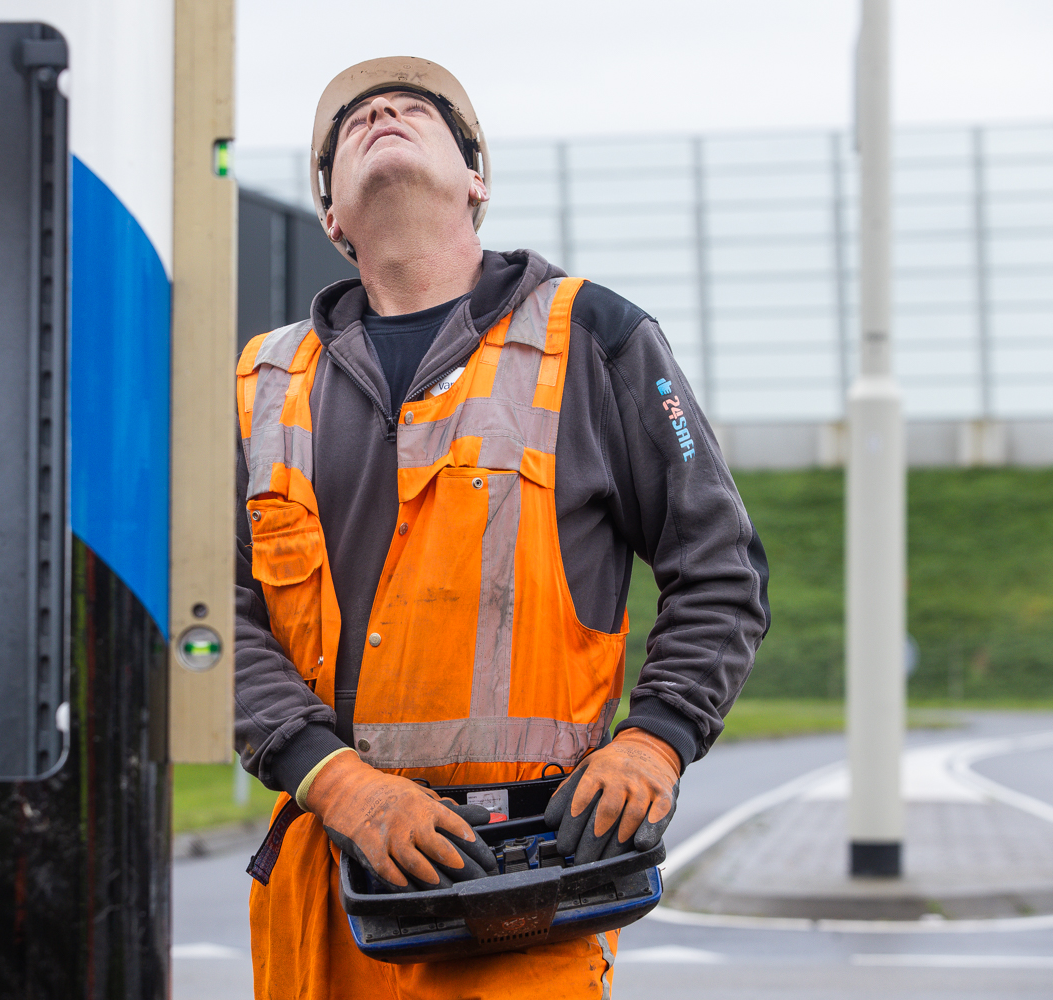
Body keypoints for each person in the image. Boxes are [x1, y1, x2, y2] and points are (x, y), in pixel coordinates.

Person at [234, 57, 770, 1000]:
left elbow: (718, 566)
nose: (384, 113)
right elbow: (211, 619)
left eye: (418, 110)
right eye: (353, 120)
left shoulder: (596, 338)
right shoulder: (262, 383)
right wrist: (336, 781)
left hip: (523, 885)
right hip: (326, 891)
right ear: (331, 216)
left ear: (477, 179)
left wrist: (656, 738)